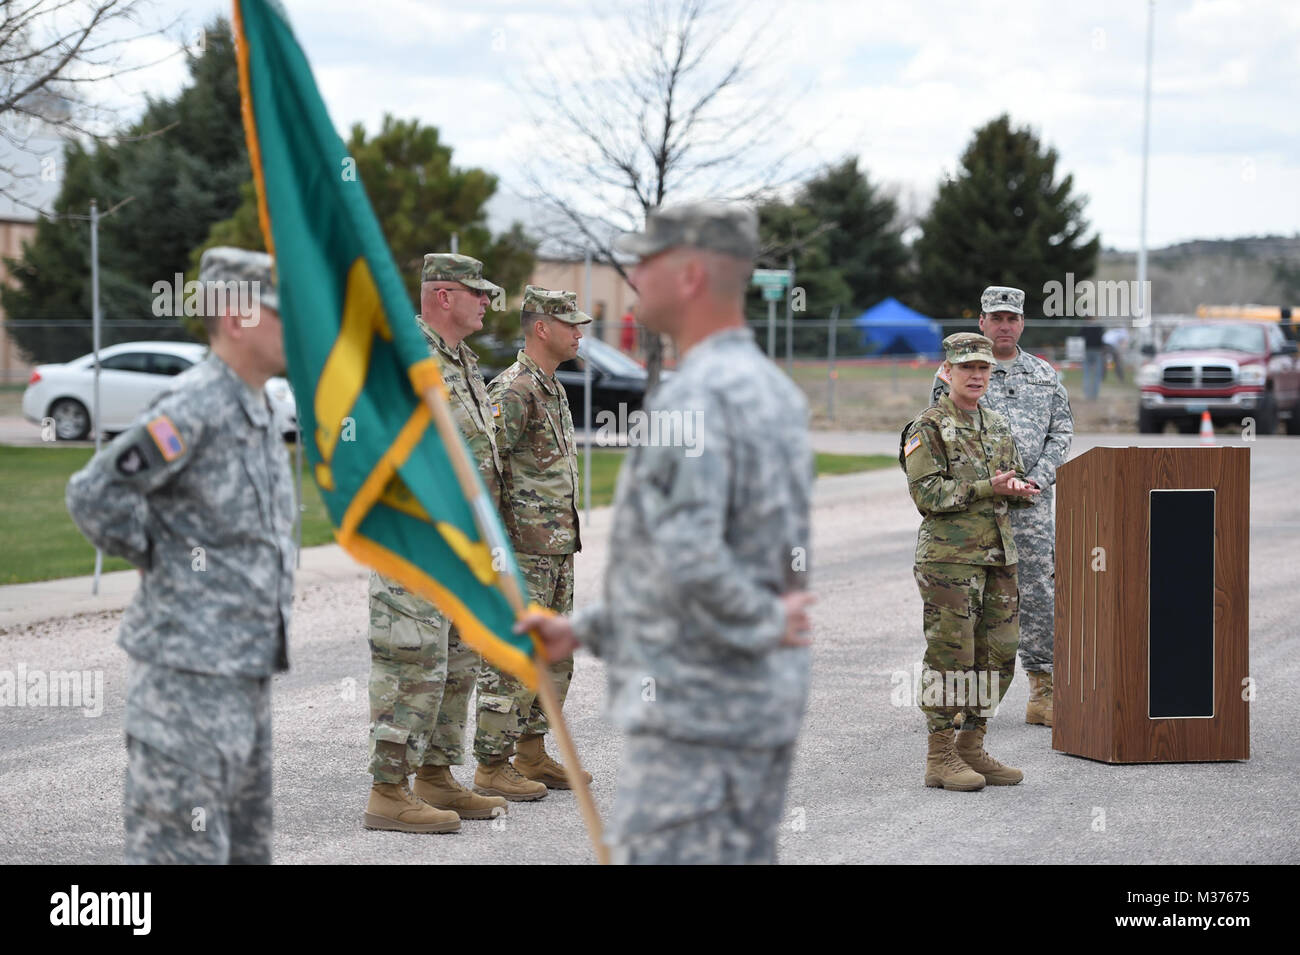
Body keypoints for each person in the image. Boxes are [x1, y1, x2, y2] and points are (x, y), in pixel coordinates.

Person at [516, 201, 816, 864]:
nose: (632, 276)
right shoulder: (769, 389)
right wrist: (586, 630)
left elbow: (692, 563)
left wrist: (761, 616)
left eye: (647, 260)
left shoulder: (699, 394)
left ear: (689, 277)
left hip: (698, 717)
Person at [65, 247, 294, 863]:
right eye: (283, 310)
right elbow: (95, 493)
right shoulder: (195, 405)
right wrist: (161, 562)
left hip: (242, 675)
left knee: (245, 851)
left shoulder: (262, 405)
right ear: (239, 317)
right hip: (185, 684)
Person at [362, 252, 518, 834]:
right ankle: (387, 791)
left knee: (456, 662)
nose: (487, 302)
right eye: (477, 293)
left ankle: (434, 776)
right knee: (412, 660)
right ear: (443, 296)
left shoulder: (462, 363)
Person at [930, 286, 1073, 727]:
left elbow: (1062, 432)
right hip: (978, 508)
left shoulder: (1044, 374)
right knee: (971, 599)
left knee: (1038, 596)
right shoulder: (955, 373)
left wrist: (1038, 477)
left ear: (1023, 323)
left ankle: (1044, 691)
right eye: (996, 318)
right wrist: (987, 483)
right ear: (982, 322)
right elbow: (943, 433)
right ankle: (962, 697)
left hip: (1031, 508)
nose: (1005, 326)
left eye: (1012, 319)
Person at [905, 332, 1039, 791]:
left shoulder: (997, 424)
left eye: (983, 368)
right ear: (948, 372)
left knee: (999, 655)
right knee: (951, 656)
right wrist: (988, 488)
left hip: (999, 556)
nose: (977, 375)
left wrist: (1020, 491)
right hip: (950, 560)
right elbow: (927, 494)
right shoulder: (927, 426)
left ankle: (971, 744)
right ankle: (939, 756)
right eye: (967, 368)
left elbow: (1011, 479)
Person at [472, 286, 593, 792]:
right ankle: (491, 766)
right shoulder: (515, 391)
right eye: (571, 324)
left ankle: (531, 751)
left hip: (555, 546)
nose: (580, 332)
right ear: (542, 328)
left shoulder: (552, 387)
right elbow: (488, 470)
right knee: (514, 655)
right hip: (522, 549)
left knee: (554, 656)